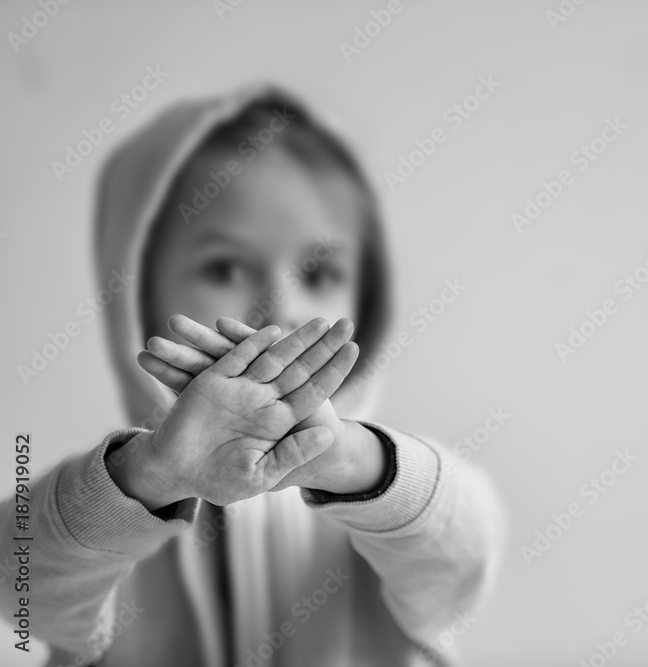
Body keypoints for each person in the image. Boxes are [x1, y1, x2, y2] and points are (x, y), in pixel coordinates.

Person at [0, 85, 504, 667]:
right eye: (225, 267)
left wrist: (350, 462)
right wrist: (150, 474)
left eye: (319, 273)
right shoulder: (114, 501)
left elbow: (464, 561)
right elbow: (22, 585)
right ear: (136, 289)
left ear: (368, 302)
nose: (277, 306)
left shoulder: (382, 497)